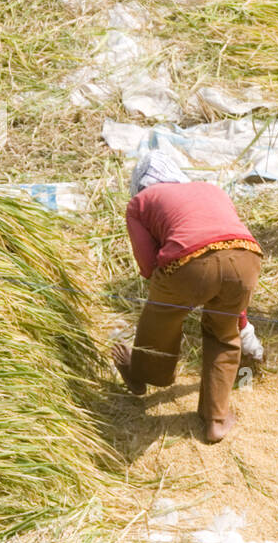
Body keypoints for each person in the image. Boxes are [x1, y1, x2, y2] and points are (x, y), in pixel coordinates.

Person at [111, 151, 263, 444]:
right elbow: (227, 241)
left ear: (142, 186)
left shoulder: (140, 203)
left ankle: (141, 375)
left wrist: (177, 294)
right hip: (248, 257)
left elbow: (147, 266)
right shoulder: (210, 188)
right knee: (223, 333)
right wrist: (241, 324)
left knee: (161, 320)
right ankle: (216, 420)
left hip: (188, 260)